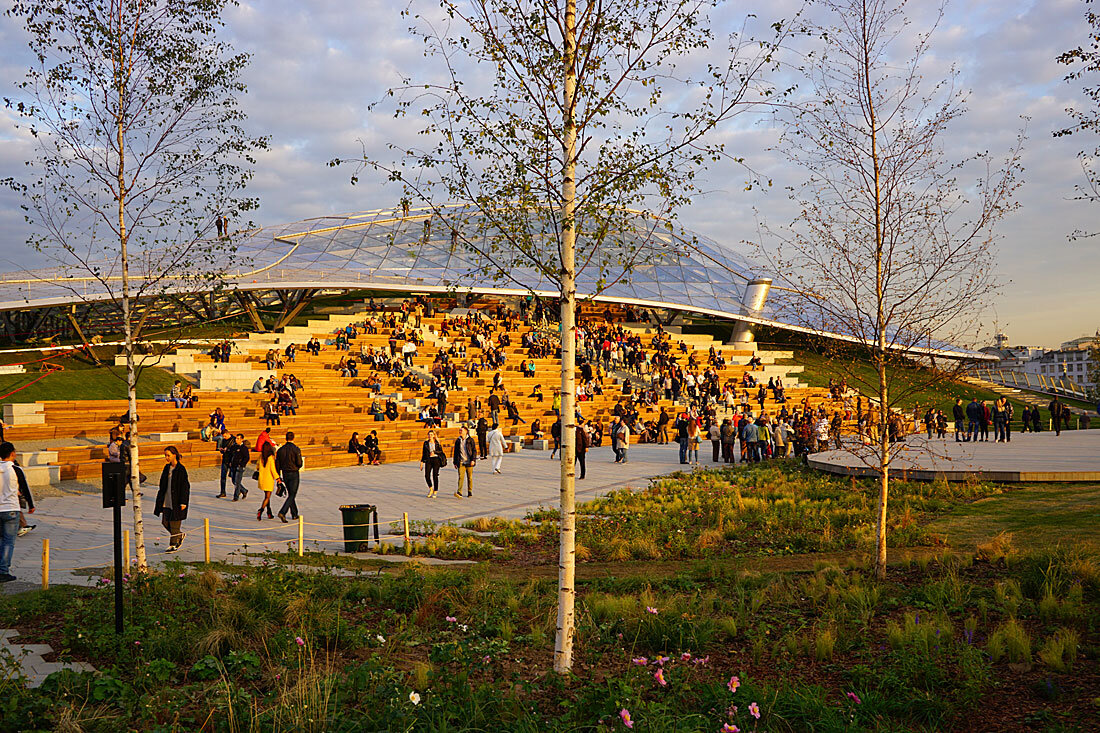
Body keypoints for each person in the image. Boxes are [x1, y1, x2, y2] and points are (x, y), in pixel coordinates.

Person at [154, 447, 190, 553]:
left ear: (174, 455)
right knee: (165, 522)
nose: (166, 457)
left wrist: (183, 502)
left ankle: (173, 545)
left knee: (174, 524)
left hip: (177, 501)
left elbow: (185, 487)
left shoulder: (181, 469)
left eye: (168, 455)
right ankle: (179, 535)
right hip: (166, 499)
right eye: (165, 455)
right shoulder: (167, 468)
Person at [0, 442, 22, 581]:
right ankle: (3, 570)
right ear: (12, 453)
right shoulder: (15, 469)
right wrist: (31, 505)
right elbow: (25, 486)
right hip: (11, 508)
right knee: (9, 541)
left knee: (1, 539)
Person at [276, 432, 303, 523]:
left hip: (285, 473)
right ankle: (283, 511)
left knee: (291, 494)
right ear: (293, 438)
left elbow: (278, 464)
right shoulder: (296, 449)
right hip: (294, 472)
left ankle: (294, 513)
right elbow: (299, 463)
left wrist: (278, 476)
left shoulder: (281, 450)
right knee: (292, 494)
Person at [452, 426, 477, 498]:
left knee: (469, 477)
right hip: (461, 461)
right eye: (459, 430)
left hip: (469, 461)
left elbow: (474, 450)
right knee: (461, 477)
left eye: (461, 430)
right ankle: (459, 492)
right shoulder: (458, 440)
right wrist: (455, 462)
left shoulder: (470, 440)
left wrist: (473, 460)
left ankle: (470, 491)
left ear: (466, 431)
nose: (460, 432)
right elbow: (456, 452)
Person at [420, 429, 447, 497]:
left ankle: (435, 491)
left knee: (435, 475)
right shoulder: (426, 443)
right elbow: (424, 453)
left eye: (431, 435)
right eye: (429, 435)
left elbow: (441, 452)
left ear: (434, 435)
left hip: (436, 459)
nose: (430, 436)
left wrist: (434, 452)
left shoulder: (437, 443)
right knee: (427, 475)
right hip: (428, 460)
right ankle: (431, 488)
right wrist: (422, 462)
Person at [255, 442, 278, 521]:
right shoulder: (270, 457)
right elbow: (273, 469)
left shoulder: (261, 457)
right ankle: (261, 510)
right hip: (269, 479)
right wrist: (278, 478)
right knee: (267, 497)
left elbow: (257, 466)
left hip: (262, 479)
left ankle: (269, 513)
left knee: (266, 497)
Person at [228, 433, 250, 501]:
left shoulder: (244, 448)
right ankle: (244, 490)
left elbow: (247, 458)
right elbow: (231, 454)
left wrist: (241, 464)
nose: (236, 440)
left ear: (242, 439)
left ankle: (236, 496)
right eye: (236, 438)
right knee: (233, 480)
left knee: (237, 482)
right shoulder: (234, 446)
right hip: (233, 466)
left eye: (238, 438)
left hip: (239, 467)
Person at [216, 430, 235, 498]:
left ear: (228, 434)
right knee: (223, 477)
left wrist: (228, 450)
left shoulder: (234, 440)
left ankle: (242, 490)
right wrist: (222, 450)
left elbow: (234, 451)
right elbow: (223, 449)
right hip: (225, 460)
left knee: (234, 478)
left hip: (231, 461)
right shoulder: (224, 440)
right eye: (223, 436)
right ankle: (223, 492)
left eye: (225, 436)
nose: (224, 437)